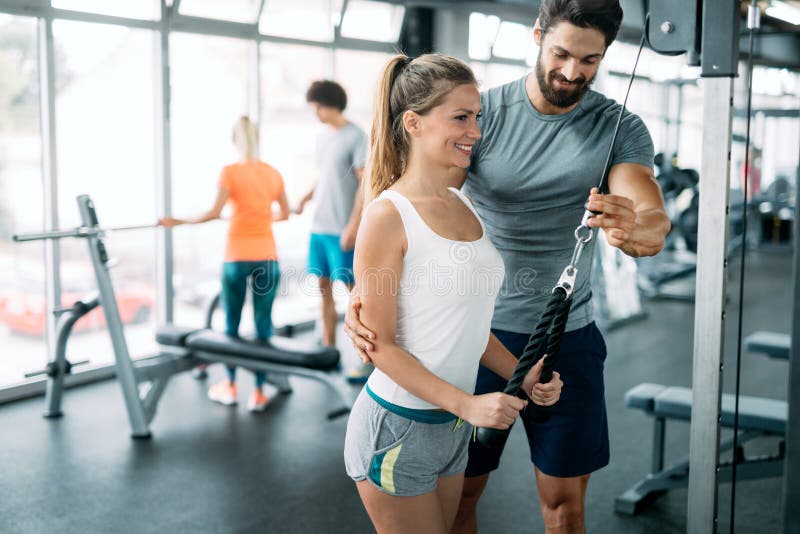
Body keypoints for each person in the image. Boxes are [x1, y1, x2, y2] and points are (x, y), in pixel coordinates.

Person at [344, 1, 671, 532]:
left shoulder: (617, 126)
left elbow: (648, 206)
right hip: (477, 331)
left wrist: (642, 227)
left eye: (590, 60)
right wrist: (366, 296)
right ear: (538, 35)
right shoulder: (481, 114)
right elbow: (410, 197)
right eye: (562, 52)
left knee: (564, 507)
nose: (572, 71)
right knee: (466, 499)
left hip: (564, 335)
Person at [343, 53, 563, 534]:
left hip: (451, 426)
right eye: (461, 118)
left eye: (477, 117)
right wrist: (468, 404)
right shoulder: (387, 215)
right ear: (414, 123)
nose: (476, 131)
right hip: (398, 423)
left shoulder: (463, 203)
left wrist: (522, 376)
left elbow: (467, 326)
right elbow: (379, 346)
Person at [159, 116, 290, 412]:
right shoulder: (272, 173)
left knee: (231, 325)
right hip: (267, 256)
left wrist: (177, 221)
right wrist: (261, 218)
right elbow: (285, 214)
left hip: (236, 255)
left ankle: (230, 387)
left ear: (235, 141)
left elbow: (213, 213)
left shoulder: (230, 173)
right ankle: (258, 391)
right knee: (263, 327)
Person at [296, 80, 372, 383]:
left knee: (356, 297)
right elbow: (324, 176)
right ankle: (327, 349)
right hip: (319, 227)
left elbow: (365, 184)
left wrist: (354, 225)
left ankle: (368, 357)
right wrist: (305, 197)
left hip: (342, 230)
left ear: (327, 104)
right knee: (323, 290)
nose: (314, 113)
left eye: (315, 107)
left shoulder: (356, 136)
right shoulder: (322, 138)